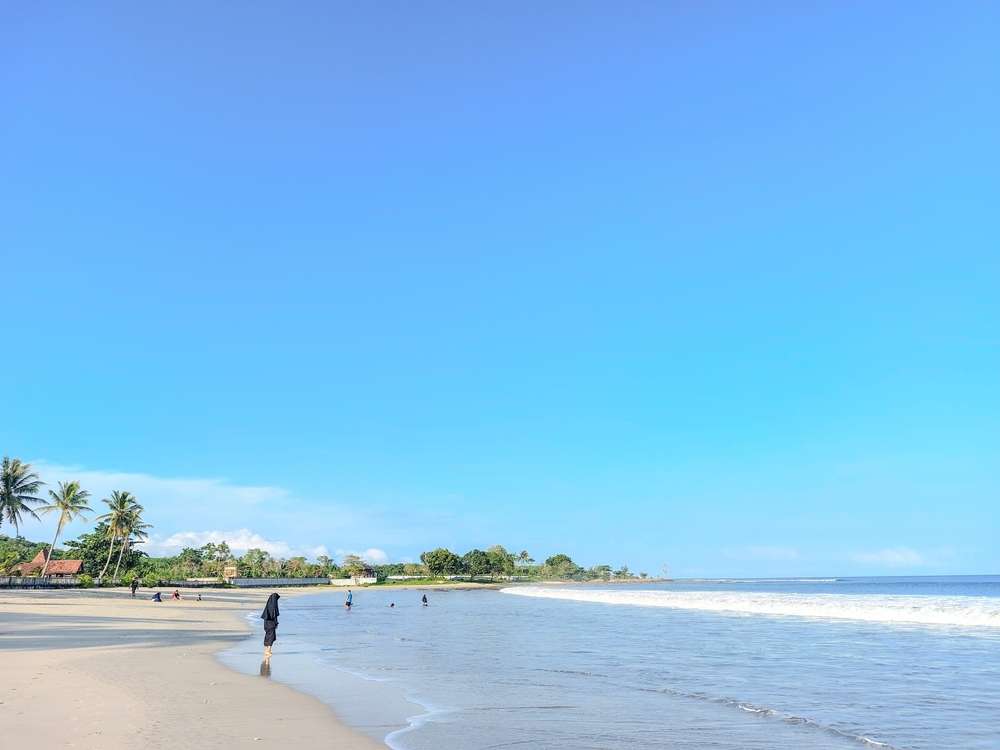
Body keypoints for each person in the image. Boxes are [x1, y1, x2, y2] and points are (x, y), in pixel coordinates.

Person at [261, 592, 280, 659]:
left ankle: (266, 650)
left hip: (266, 623)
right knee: (271, 637)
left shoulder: (268, 605)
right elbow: (274, 616)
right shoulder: (273, 607)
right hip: (271, 624)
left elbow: (267, 616)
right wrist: (276, 623)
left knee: (267, 636)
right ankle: (268, 651)